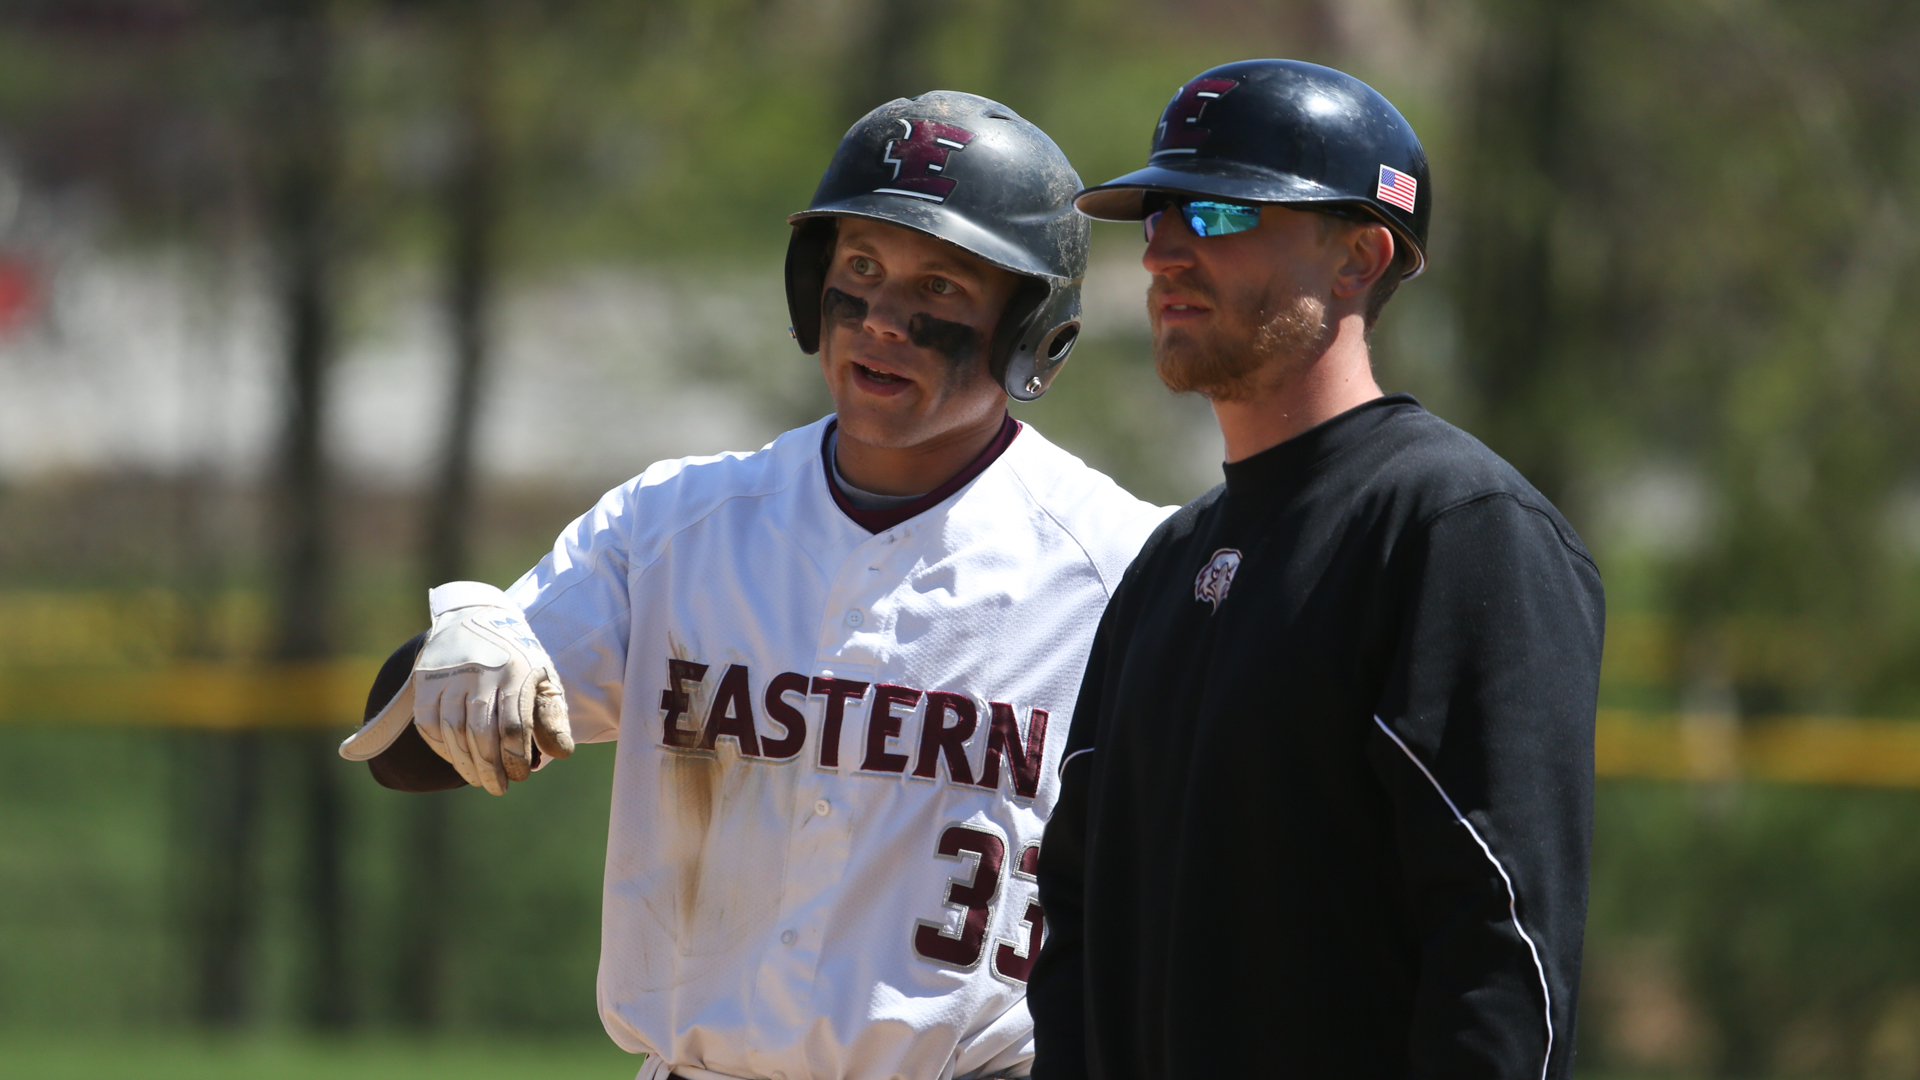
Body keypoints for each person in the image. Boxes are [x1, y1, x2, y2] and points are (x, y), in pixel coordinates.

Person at [338, 91, 1173, 1080]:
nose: (885, 319)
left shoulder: (1122, 570)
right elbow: (408, 757)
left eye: (942, 286)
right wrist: (467, 645)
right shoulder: (674, 528)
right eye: (859, 268)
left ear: (1035, 332)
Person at [1027, 60, 1606, 1080]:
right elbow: (1072, 920)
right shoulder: (1170, 559)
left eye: (1214, 213)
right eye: (1156, 213)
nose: (1160, 251)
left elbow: (1498, 949)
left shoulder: (1455, 528)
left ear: (1359, 257)